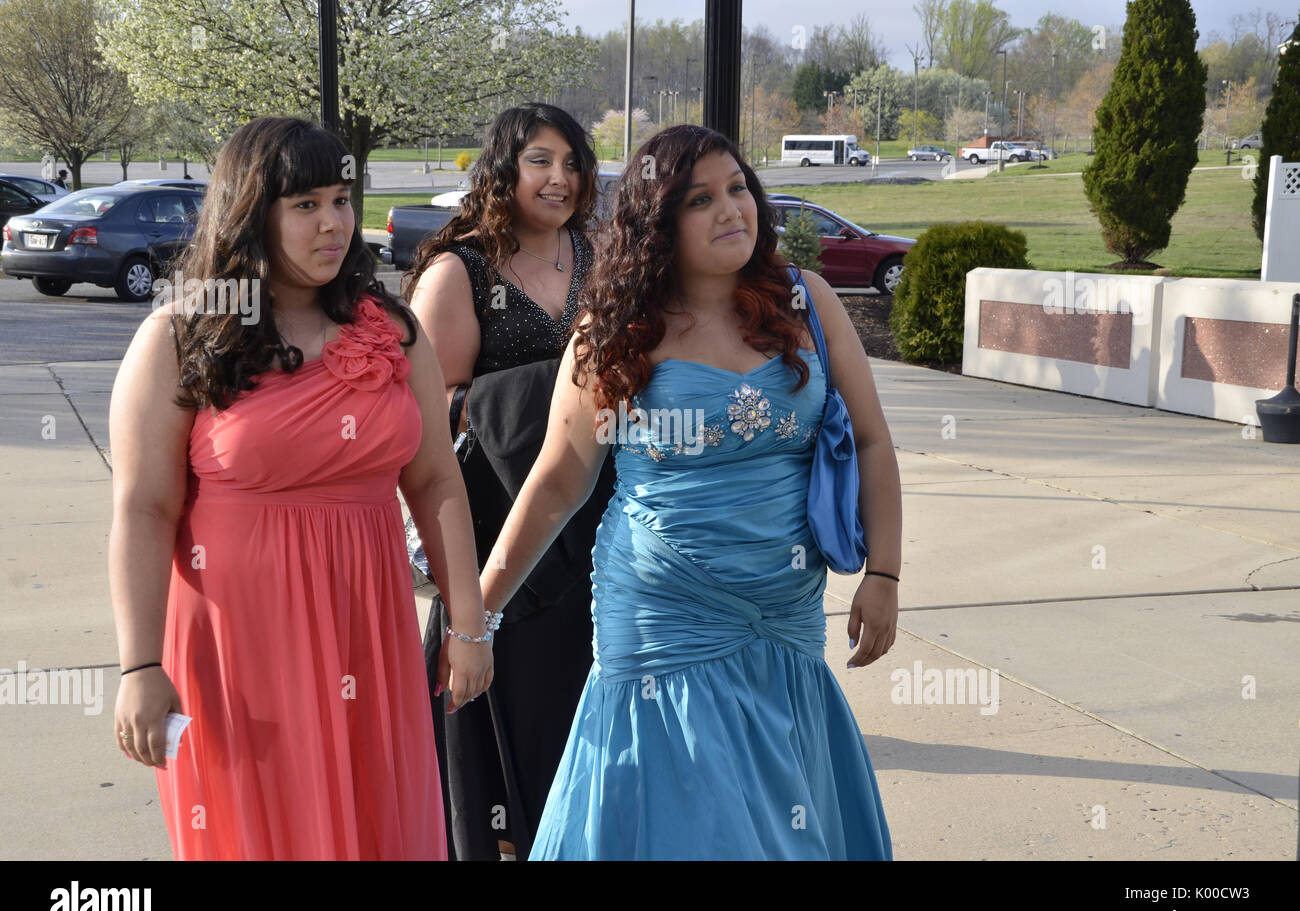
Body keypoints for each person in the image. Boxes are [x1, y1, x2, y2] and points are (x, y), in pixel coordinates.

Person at [480, 124, 902, 859]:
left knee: (777, 814)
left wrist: (886, 573)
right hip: (660, 610)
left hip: (782, 609)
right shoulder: (615, 331)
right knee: (689, 817)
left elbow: (870, 439)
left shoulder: (809, 303)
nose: (732, 209)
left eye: (738, 187)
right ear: (658, 224)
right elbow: (559, 478)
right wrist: (476, 608)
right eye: (701, 199)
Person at [108, 116, 492, 860]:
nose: (334, 223)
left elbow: (438, 480)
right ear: (252, 213)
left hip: (368, 635)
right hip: (236, 649)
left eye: (341, 199)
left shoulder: (395, 330)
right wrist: (139, 665)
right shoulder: (182, 336)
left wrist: (468, 621)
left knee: (380, 823)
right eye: (306, 204)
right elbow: (142, 508)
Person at [401, 103, 615, 861]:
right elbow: (432, 414)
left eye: (571, 162)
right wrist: (556, 391)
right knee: (509, 722)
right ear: (502, 169)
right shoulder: (460, 271)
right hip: (499, 530)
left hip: (597, 526)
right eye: (539, 161)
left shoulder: (598, 256)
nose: (560, 178)